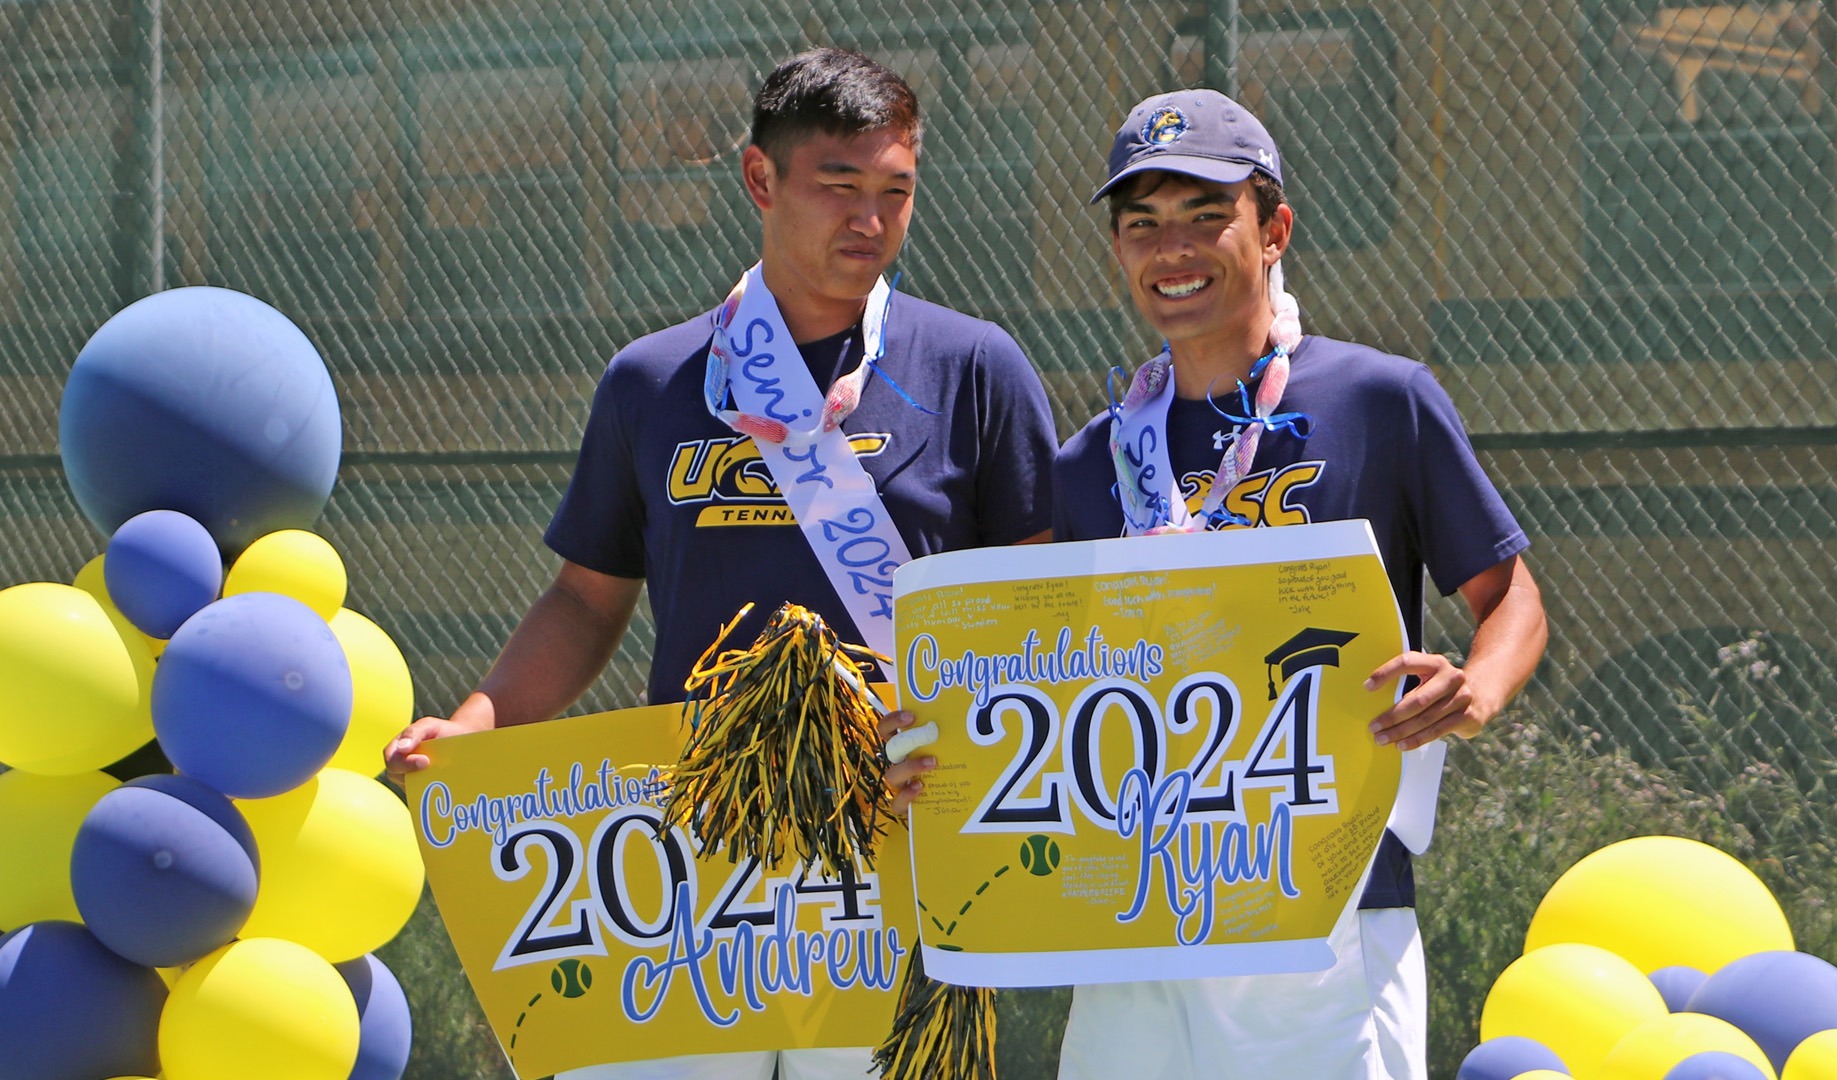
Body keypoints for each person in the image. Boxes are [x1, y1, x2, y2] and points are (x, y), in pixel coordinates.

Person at [385, 47, 1058, 1080]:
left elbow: (1034, 610)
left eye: (896, 192)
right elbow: (584, 597)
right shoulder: (652, 380)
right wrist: (479, 723)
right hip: (691, 860)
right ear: (760, 180)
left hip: (898, 847)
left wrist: (962, 740)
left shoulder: (972, 366)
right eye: (840, 188)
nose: (870, 222)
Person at [1050, 89, 1548, 1079]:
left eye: (1205, 218)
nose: (1171, 251)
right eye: (1142, 225)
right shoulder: (1092, 461)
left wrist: (1477, 689)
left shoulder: (1379, 398)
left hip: (1326, 907)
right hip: (1136, 911)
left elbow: (1513, 600)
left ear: (1273, 230)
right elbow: (1055, 680)